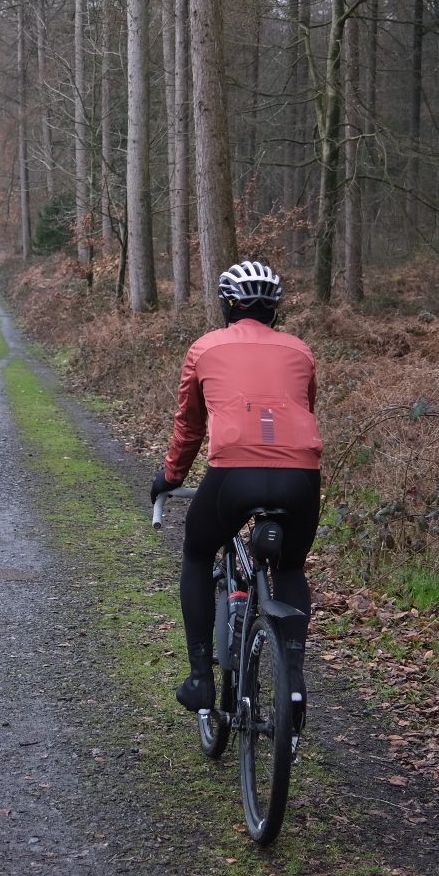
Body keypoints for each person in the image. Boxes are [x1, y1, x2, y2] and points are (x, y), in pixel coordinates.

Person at [150, 260, 322, 718]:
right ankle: (294, 682)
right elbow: (302, 411)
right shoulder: (301, 351)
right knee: (289, 570)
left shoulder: (205, 349)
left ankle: (201, 679)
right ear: (275, 311)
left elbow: (188, 428)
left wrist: (170, 479)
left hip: (233, 475)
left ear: (226, 305)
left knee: (197, 552)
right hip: (301, 477)